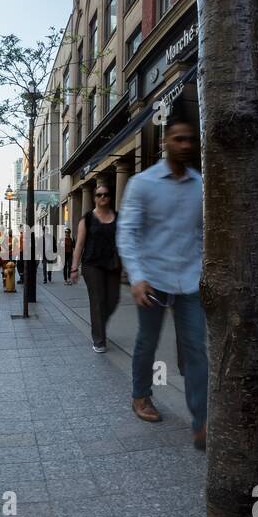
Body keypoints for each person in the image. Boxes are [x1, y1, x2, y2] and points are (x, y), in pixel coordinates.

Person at [119, 113, 209, 450]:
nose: (185, 145)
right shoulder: (142, 183)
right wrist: (137, 276)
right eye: (178, 139)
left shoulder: (200, 184)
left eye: (189, 139)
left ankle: (200, 421)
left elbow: (202, 232)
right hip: (153, 279)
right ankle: (141, 395)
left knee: (196, 349)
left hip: (190, 280)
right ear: (164, 142)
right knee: (147, 341)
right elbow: (127, 232)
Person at [67, 180, 123, 352]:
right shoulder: (88, 219)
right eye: (99, 195)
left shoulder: (118, 217)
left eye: (106, 194)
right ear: (94, 198)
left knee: (113, 300)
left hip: (112, 264)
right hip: (92, 264)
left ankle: (98, 323)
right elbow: (79, 245)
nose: (103, 197)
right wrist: (74, 268)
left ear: (110, 197)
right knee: (98, 300)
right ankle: (99, 339)